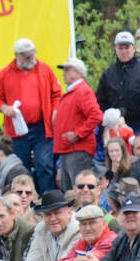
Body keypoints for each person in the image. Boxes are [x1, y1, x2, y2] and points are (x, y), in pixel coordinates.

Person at [0, 38, 62, 193]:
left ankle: (46, 199)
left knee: (44, 163)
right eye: (26, 55)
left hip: (42, 126)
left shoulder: (45, 70)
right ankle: (24, 202)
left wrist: (55, 110)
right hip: (17, 129)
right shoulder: (5, 74)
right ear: (17, 55)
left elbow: (56, 94)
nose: (31, 58)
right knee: (21, 166)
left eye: (32, 54)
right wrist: (4, 108)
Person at [53, 56, 102, 190]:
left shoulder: (82, 91)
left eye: (68, 70)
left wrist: (77, 134)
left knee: (78, 190)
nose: (64, 73)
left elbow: (96, 115)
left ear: (78, 73)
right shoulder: (74, 92)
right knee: (71, 192)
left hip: (77, 149)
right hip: (69, 149)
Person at [96, 31, 140, 130]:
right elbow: (100, 101)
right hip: (114, 125)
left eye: (127, 47)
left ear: (133, 48)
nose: (124, 51)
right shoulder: (108, 73)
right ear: (115, 49)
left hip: (139, 124)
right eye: (120, 48)